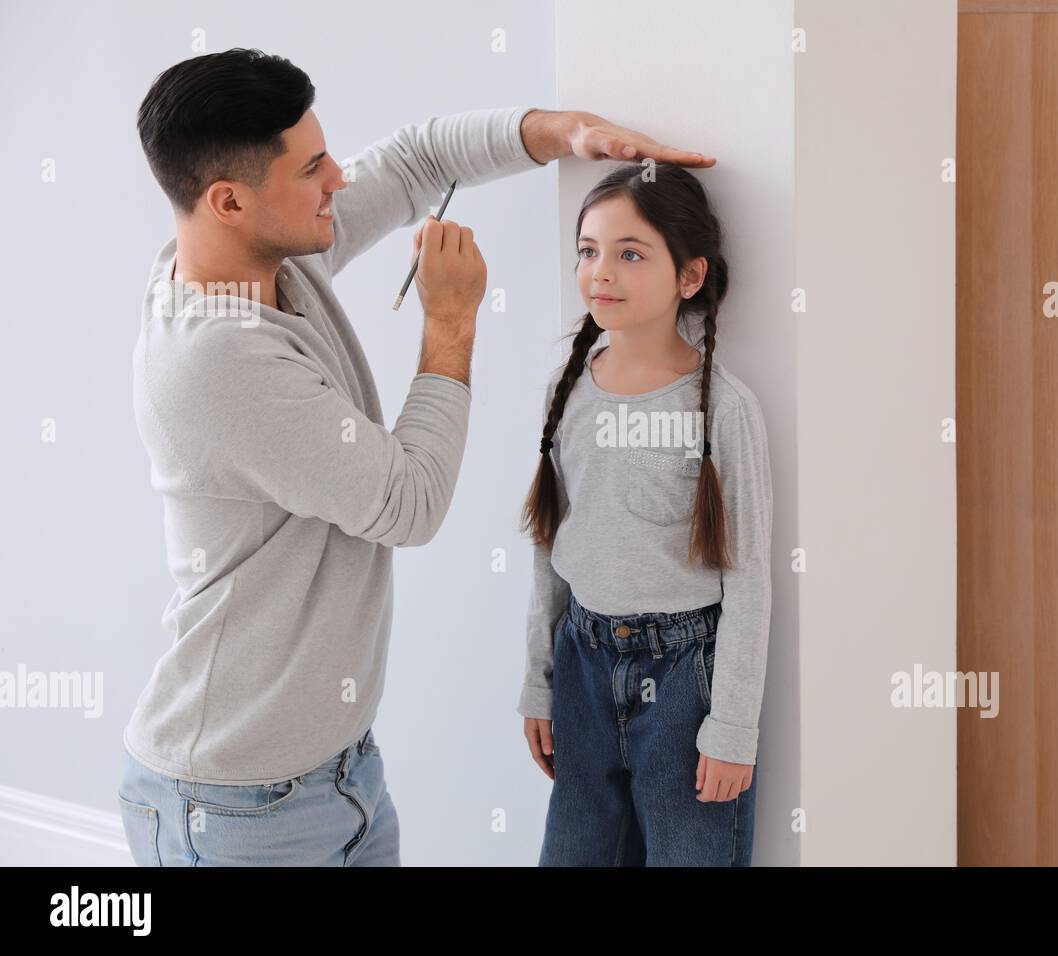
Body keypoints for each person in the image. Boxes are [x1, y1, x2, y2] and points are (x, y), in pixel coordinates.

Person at [118, 47, 715, 867]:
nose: (338, 180)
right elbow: (408, 503)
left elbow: (417, 159)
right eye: (314, 167)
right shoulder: (219, 362)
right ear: (228, 199)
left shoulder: (265, 254)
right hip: (236, 805)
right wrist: (452, 325)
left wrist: (565, 131)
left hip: (339, 775)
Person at [518, 163, 774, 866]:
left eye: (631, 253)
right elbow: (548, 551)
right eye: (589, 250)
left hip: (687, 679)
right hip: (581, 667)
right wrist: (538, 684)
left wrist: (732, 731)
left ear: (689, 277)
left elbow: (748, 580)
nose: (602, 272)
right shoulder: (565, 388)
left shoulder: (725, 408)